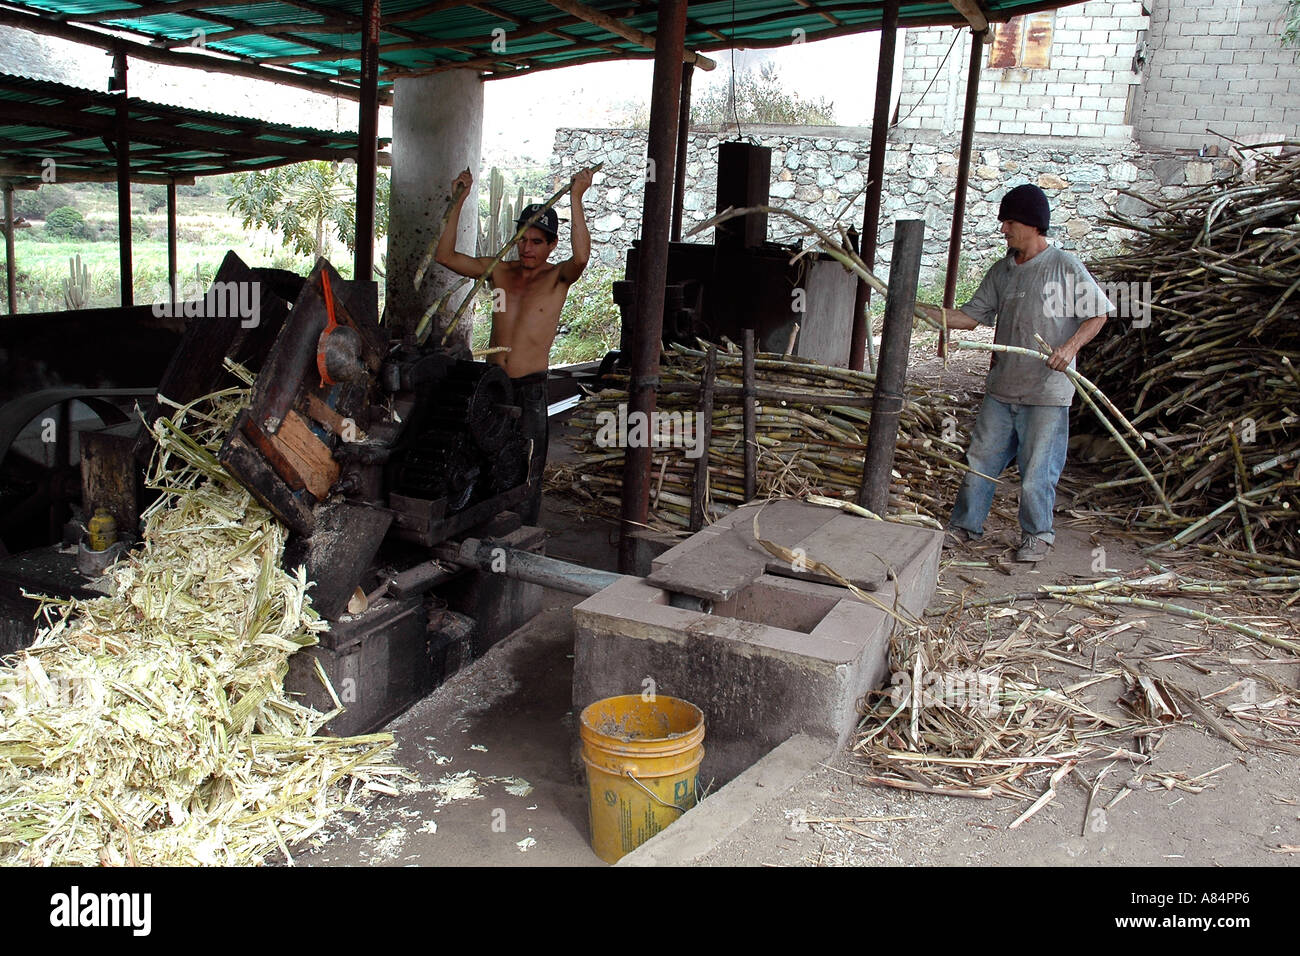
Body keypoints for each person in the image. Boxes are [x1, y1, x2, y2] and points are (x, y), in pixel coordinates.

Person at [916, 183, 1113, 563]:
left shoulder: (1063, 266)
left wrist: (1068, 349)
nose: (1003, 229)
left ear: (1033, 224)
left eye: (1009, 221)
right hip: (1002, 389)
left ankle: (1038, 535)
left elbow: (1098, 314)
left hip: (1047, 391)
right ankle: (964, 527)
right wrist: (916, 308)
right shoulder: (1002, 271)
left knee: (1037, 470)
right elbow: (970, 319)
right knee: (980, 460)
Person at [435, 167, 593, 524]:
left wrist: (576, 198)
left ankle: (522, 540)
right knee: (483, 461)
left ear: (552, 245)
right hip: (494, 385)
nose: (527, 248)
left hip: (530, 390)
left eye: (537, 241)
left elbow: (581, 258)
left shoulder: (557, 278)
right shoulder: (501, 272)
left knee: (527, 472)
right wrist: (457, 200)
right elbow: (445, 256)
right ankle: (484, 534)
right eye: (523, 239)